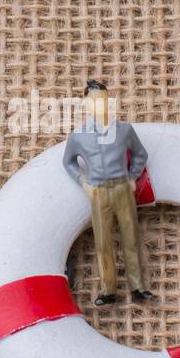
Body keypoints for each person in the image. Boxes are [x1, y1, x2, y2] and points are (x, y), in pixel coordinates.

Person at [61, 81, 154, 305]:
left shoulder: (123, 130)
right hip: (99, 192)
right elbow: (69, 162)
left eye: (103, 99)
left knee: (130, 238)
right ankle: (108, 290)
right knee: (103, 242)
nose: (99, 104)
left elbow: (141, 154)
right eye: (94, 100)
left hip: (122, 188)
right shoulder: (78, 136)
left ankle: (137, 287)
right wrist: (83, 183)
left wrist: (132, 177)